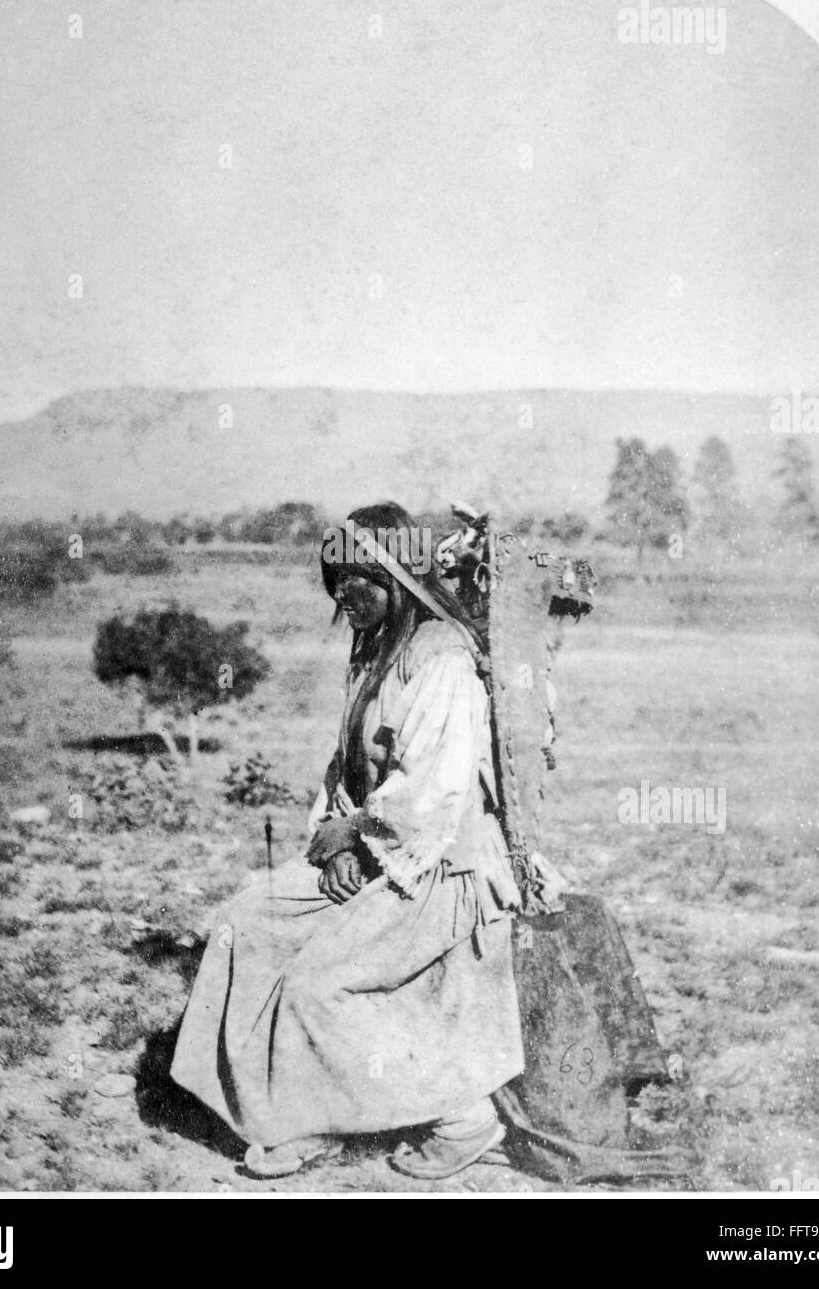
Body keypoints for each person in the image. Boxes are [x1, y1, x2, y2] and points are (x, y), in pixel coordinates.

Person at [170, 501, 524, 1178]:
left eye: (361, 578)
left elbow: (435, 791)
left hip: (439, 870)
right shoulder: (375, 655)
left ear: (400, 576)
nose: (344, 594)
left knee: (316, 985)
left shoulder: (442, 660)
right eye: (335, 580)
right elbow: (347, 772)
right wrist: (335, 843)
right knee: (247, 924)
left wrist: (358, 842)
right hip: (378, 851)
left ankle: (461, 1118)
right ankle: (299, 1116)